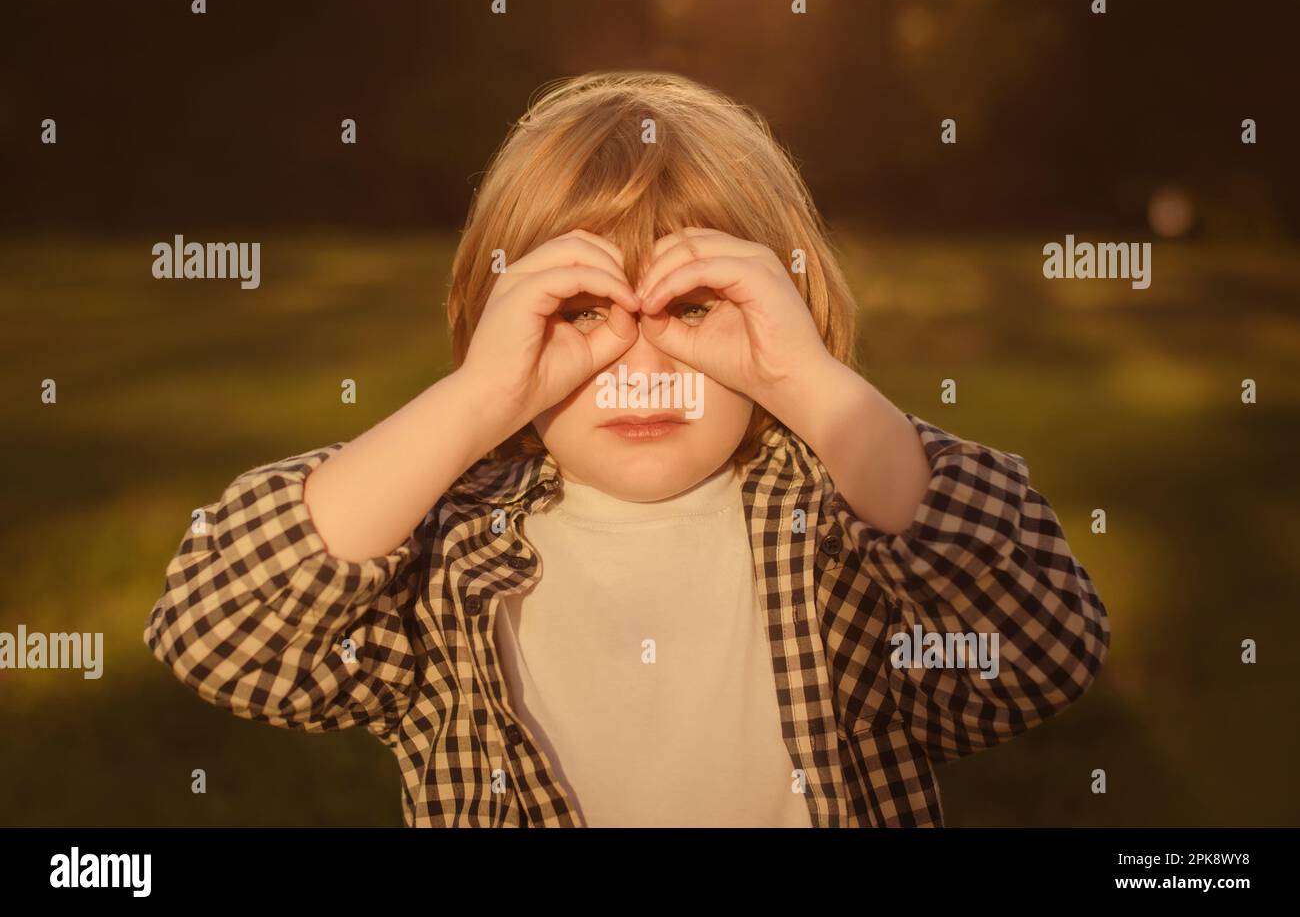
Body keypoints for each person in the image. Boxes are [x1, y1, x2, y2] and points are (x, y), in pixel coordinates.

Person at [143, 70, 1110, 827]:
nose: (639, 359)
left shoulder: (844, 533)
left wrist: (809, 386)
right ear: (497, 331)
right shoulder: (447, 554)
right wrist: (475, 404)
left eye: (695, 308)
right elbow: (220, 631)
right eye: (579, 312)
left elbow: (1038, 653)